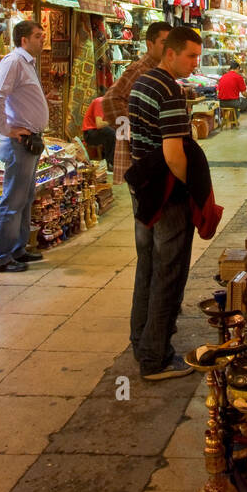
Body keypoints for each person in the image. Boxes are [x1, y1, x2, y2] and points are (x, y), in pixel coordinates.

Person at [126, 25, 202, 380]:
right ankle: (155, 358)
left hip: (144, 190)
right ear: (169, 53)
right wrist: (189, 189)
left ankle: (141, 339)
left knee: (148, 267)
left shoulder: (142, 82)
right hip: (166, 194)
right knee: (168, 272)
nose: (194, 63)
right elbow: (174, 154)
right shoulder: (169, 90)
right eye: (190, 56)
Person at [0, 19, 49, 272]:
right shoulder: (13, 62)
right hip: (18, 143)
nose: (42, 39)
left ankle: (17, 249)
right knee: (13, 200)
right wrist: (6, 129)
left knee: (24, 198)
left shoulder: (27, 63)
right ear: (23, 40)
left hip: (29, 141)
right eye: (37, 36)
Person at [101, 20, 170, 183]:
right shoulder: (140, 70)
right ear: (149, 44)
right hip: (142, 154)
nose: (169, 48)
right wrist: (132, 132)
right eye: (164, 43)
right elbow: (111, 100)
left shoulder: (160, 69)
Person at [216, 60, 247, 126]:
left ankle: (234, 122)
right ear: (237, 68)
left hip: (222, 103)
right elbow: (244, 93)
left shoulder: (222, 77)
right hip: (233, 103)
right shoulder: (238, 77)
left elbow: (219, 90)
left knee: (237, 100)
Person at [82, 96, 116, 168]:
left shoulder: (110, 105)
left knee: (118, 131)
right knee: (110, 132)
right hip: (90, 134)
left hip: (98, 132)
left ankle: (111, 161)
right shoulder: (100, 102)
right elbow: (99, 124)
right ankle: (111, 163)